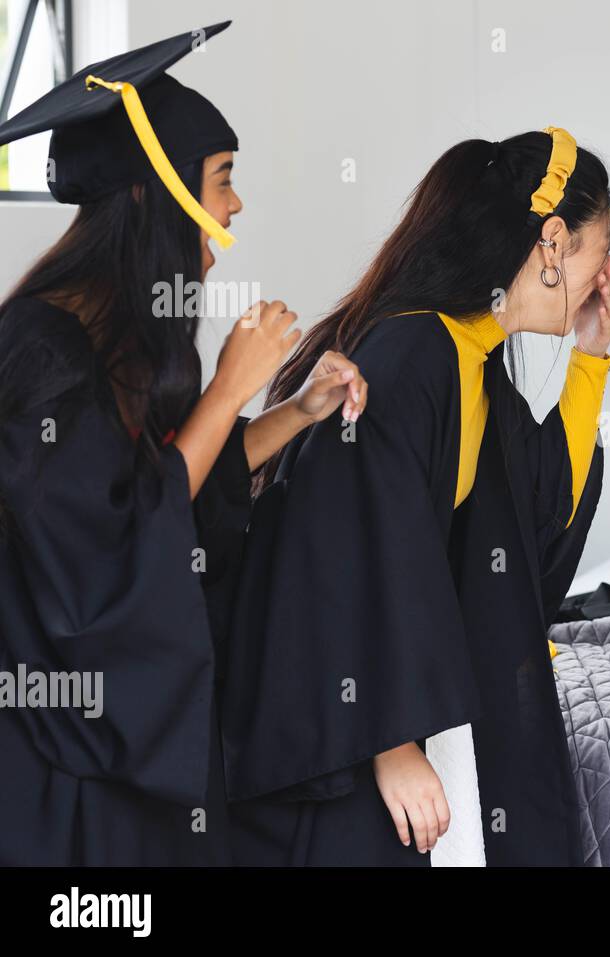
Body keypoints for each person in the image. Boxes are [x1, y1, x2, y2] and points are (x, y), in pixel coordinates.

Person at [0, 22, 367, 865]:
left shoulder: (119, 342)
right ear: (152, 193)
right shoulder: (42, 348)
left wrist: (294, 411)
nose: (235, 206)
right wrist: (231, 387)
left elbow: (173, 493)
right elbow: (112, 559)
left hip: (123, 758)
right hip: (60, 767)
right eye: (223, 178)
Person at [221, 127, 610, 866]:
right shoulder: (416, 352)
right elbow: (333, 546)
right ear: (554, 242)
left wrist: (589, 356)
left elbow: (535, 523)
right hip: (345, 740)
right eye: (602, 248)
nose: (605, 273)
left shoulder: (472, 357)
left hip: (397, 711)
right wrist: (391, 740)